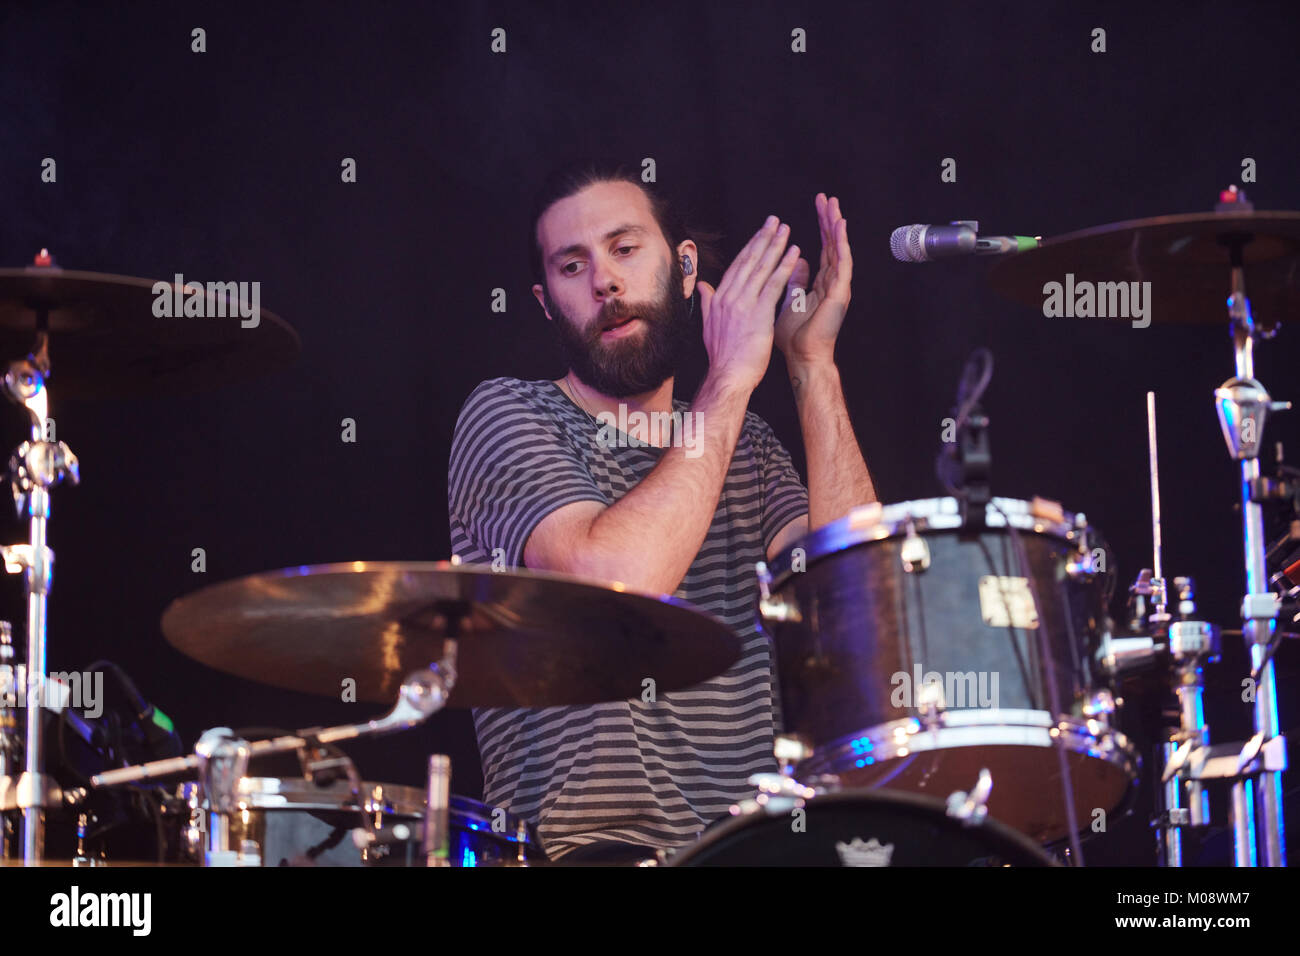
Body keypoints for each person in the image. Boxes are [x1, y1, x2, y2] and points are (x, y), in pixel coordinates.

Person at [447, 160, 876, 862]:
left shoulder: (748, 444)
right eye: (571, 266)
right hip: (589, 851)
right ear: (545, 301)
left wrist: (811, 364)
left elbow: (855, 613)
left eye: (623, 249)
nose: (604, 283)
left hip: (752, 848)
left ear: (682, 269)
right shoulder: (508, 414)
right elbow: (616, 584)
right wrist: (732, 380)